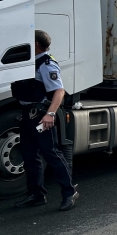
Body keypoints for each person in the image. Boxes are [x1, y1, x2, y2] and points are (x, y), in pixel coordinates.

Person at [13, 30, 79, 211]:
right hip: (28, 115)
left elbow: (59, 91)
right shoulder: (29, 63)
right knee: (29, 155)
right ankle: (36, 194)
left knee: (50, 153)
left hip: (41, 116)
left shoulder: (46, 64)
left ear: (36, 44)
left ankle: (69, 192)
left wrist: (50, 114)